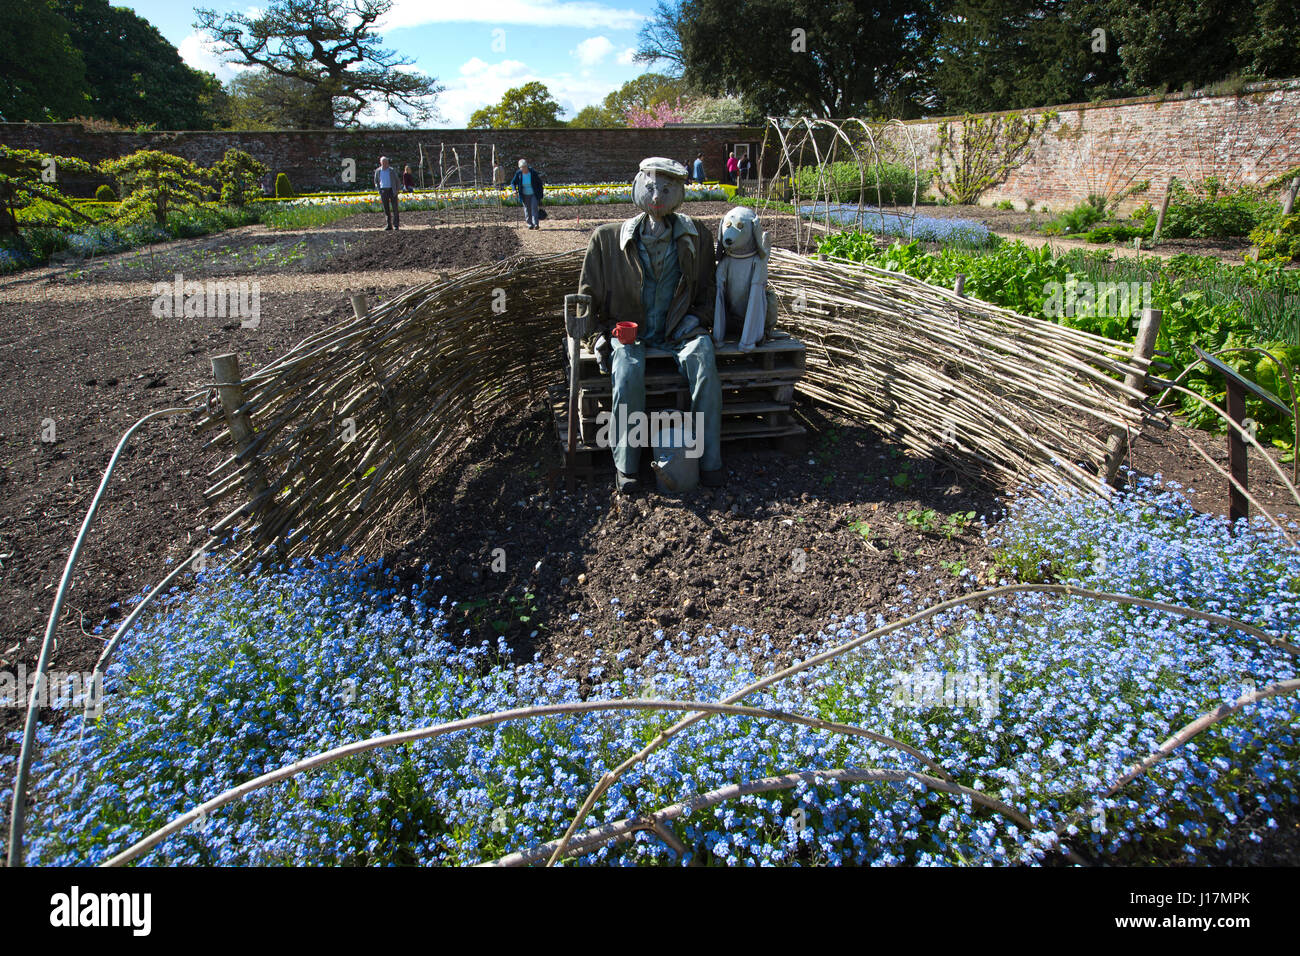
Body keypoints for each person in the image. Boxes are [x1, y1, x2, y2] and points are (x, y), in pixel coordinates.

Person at [577, 157, 723, 493]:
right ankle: (626, 466)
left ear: (679, 193)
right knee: (627, 371)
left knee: (704, 360)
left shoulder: (697, 236)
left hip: (679, 330)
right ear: (637, 187)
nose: (657, 196)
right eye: (651, 188)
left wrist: (696, 319)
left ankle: (709, 462)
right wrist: (595, 336)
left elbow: (709, 291)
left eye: (667, 189)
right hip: (629, 331)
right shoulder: (606, 240)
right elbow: (586, 297)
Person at [509, 158, 545, 229]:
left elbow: (539, 183)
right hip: (524, 194)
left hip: (533, 193)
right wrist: (514, 190)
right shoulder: (518, 173)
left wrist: (540, 194)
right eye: (522, 167)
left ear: (527, 166)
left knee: (534, 208)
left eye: (525, 167)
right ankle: (529, 224)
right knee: (527, 209)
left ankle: (536, 224)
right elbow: (513, 183)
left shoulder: (533, 173)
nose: (524, 169)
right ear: (520, 168)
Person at [373, 156, 401, 229]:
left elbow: (397, 180)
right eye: (383, 162)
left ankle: (396, 225)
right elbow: (376, 181)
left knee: (395, 208)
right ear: (381, 163)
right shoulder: (378, 171)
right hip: (383, 191)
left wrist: (397, 190)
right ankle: (389, 225)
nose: (385, 164)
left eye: (386, 162)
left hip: (392, 190)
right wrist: (379, 190)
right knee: (386, 209)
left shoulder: (391, 170)